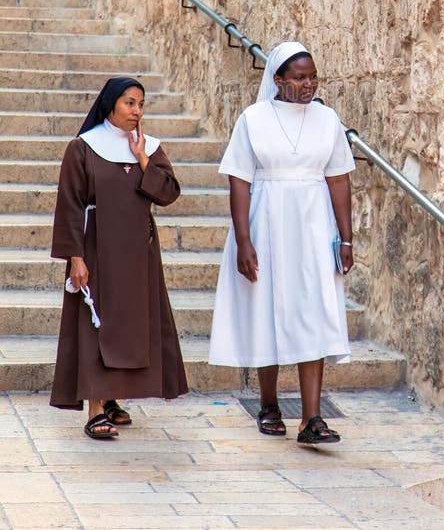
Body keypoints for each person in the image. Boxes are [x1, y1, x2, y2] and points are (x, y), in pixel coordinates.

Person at [209, 41, 355, 444]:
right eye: (299, 77)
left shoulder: (328, 119)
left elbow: (339, 179)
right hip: (266, 219)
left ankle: (312, 418)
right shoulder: (253, 118)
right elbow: (239, 180)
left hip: (313, 222)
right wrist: (243, 240)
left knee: (315, 310)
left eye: (313, 77)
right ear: (278, 80)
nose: (308, 84)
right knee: (266, 306)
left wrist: (346, 237)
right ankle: (269, 403)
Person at [50, 77, 188, 439]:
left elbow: (169, 193)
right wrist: (75, 258)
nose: (137, 111)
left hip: (139, 256)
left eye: (141, 104)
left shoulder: (151, 148)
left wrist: (142, 159)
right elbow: (69, 206)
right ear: (111, 104)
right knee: (95, 325)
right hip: (97, 250)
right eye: (129, 103)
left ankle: (111, 399)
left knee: (131, 325)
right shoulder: (83, 148)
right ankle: (95, 409)